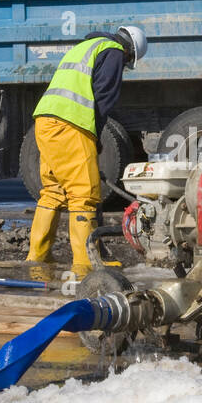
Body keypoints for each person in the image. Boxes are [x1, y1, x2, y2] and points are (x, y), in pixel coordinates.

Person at [26, 25, 146, 273]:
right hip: (71, 122)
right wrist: (95, 135)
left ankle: (37, 257)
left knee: (54, 191)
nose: (123, 66)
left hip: (45, 121)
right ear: (129, 51)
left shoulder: (84, 47)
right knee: (84, 194)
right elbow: (103, 97)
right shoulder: (113, 51)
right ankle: (86, 264)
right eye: (128, 63)